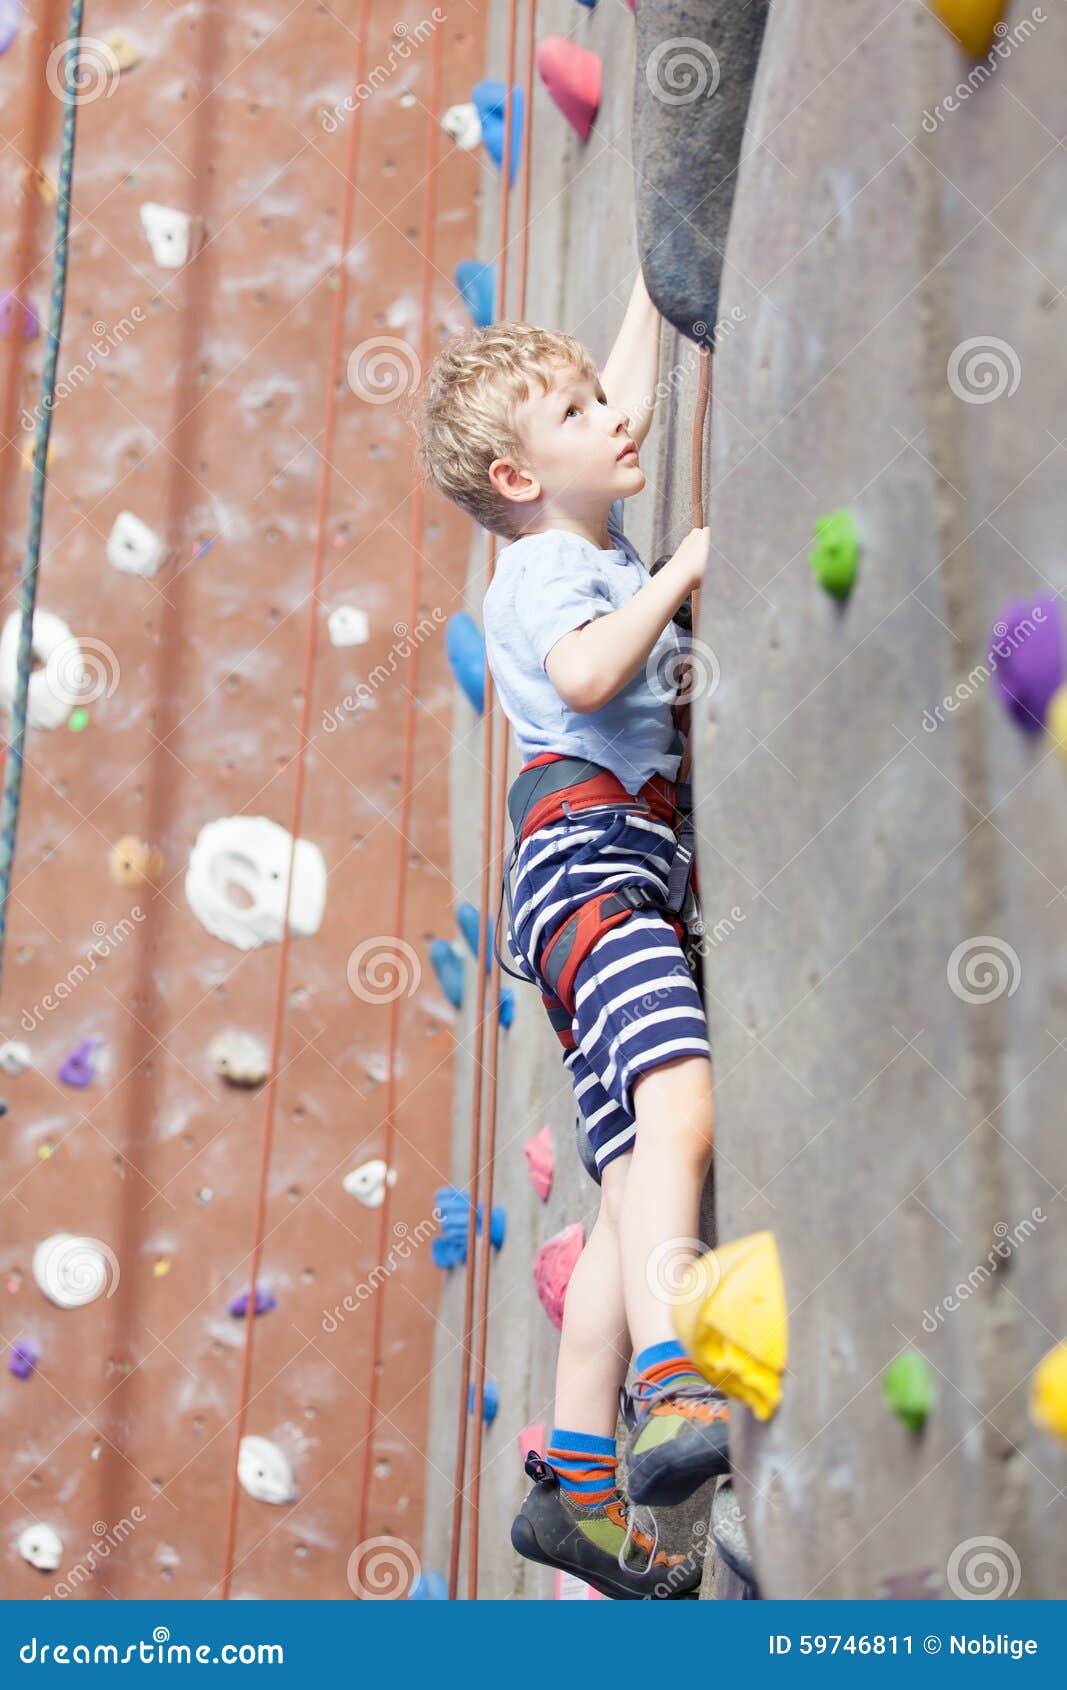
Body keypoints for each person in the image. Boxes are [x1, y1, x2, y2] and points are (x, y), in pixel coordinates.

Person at [413, 270, 727, 1599]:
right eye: (575, 412)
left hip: (583, 881)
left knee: (622, 1193)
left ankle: (579, 1483)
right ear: (516, 472)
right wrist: (684, 575)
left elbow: (631, 392)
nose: (615, 419)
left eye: (602, 401)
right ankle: (672, 1383)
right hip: (596, 869)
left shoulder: (569, 532)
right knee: (680, 1104)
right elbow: (596, 672)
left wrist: (656, 283)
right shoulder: (550, 572)